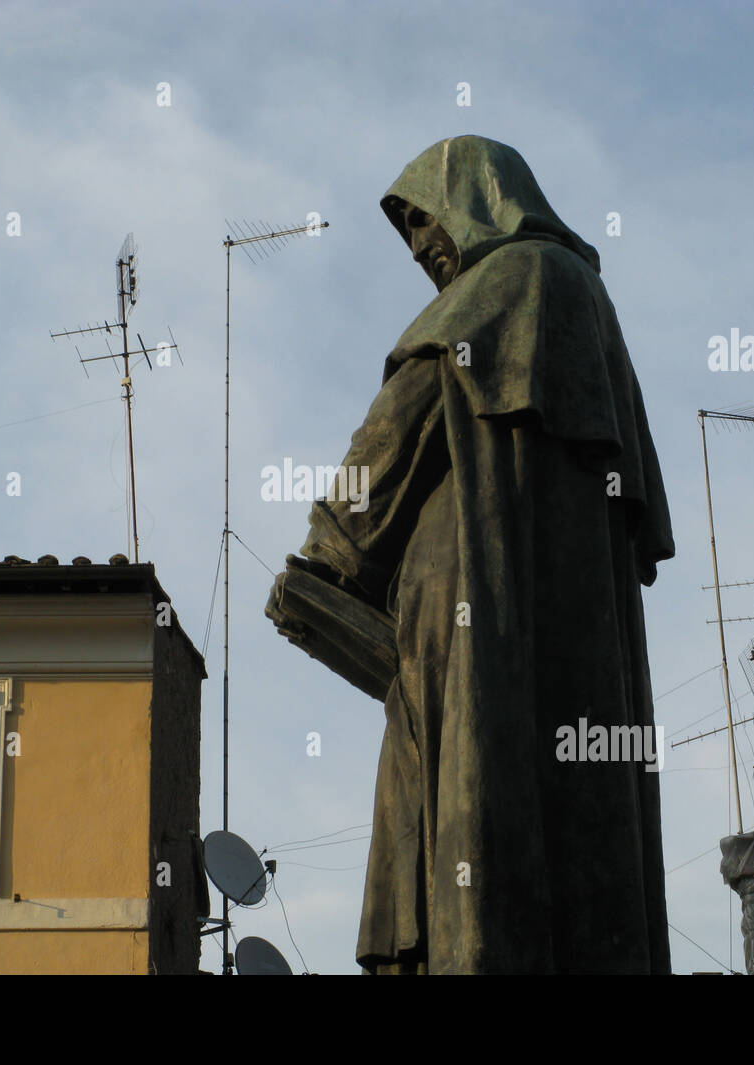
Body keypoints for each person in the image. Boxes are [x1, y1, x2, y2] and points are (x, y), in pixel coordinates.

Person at [268, 135, 675, 973]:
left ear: (479, 198)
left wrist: (328, 549)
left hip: (467, 608)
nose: (420, 245)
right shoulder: (591, 304)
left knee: (466, 818)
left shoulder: (505, 282)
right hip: (569, 646)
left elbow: (398, 424)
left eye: (424, 220)